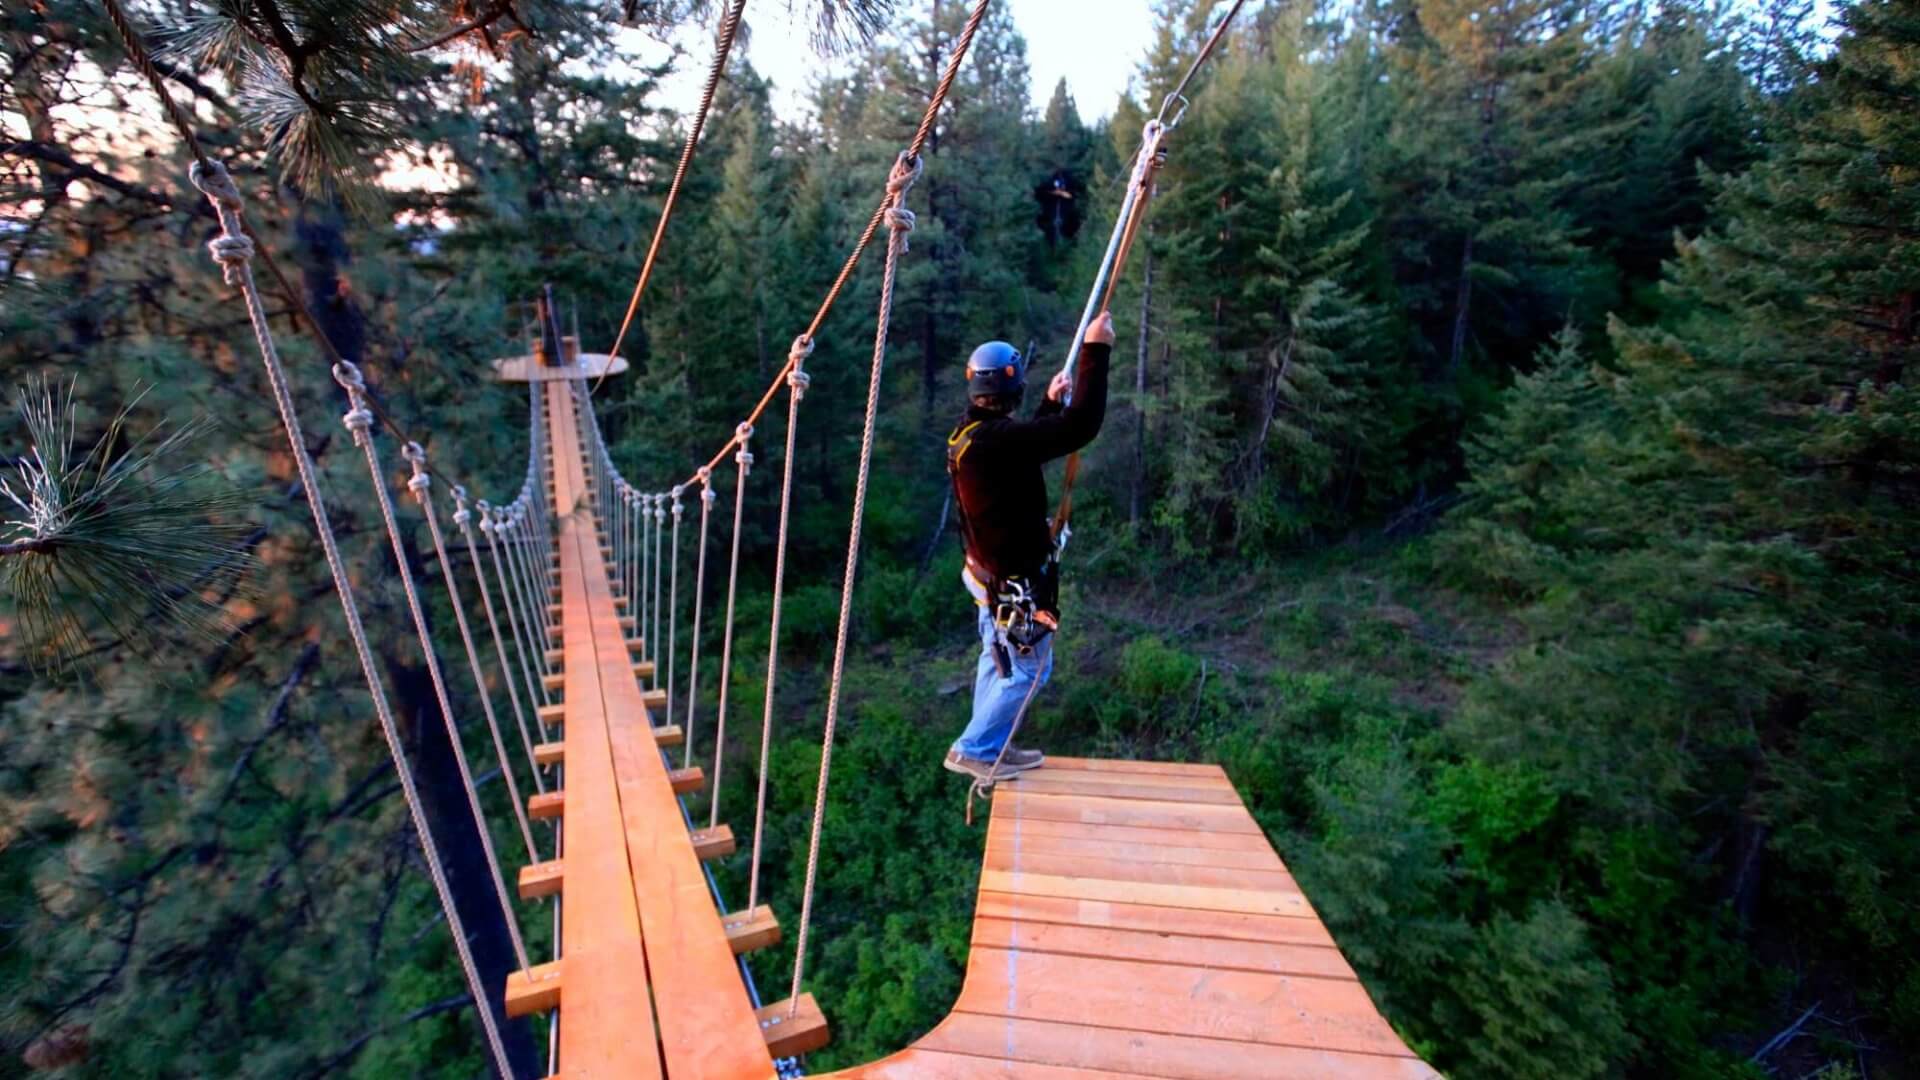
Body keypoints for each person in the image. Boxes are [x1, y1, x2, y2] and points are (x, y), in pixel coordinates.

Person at [942, 311, 1114, 782]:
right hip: (1012, 586)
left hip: (990, 580)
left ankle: (991, 745)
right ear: (1008, 394)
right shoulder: (996, 441)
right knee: (1031, 668)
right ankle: (974, 747)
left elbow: (1021, 451)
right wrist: (1096, 350)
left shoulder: (969, 435)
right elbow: (1080, 429)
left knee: (997, 661)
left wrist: (1047, 407)